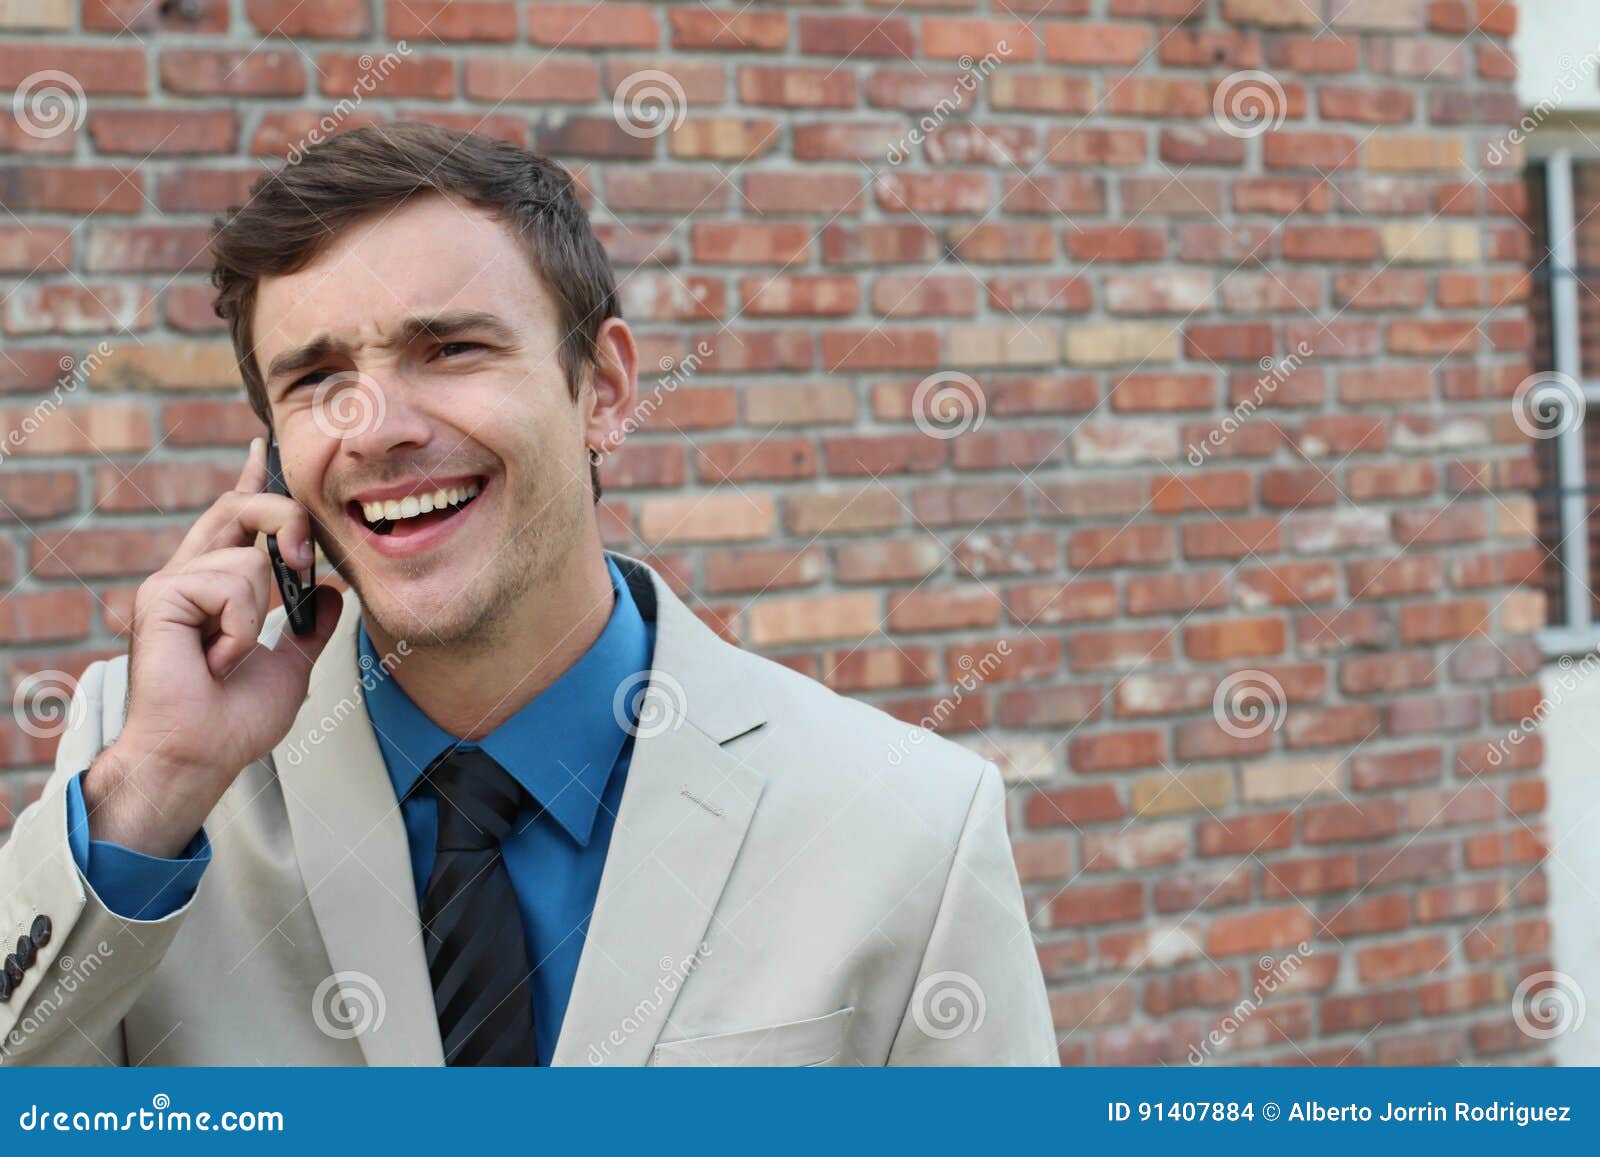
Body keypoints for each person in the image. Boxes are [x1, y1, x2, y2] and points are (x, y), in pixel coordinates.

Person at [0, 122, 1055, 1067]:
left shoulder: (908, 822)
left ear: (602, 389)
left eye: (448, 348)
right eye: (317, 379)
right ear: (274, 454)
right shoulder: (136, 775)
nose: (375, 426)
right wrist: (155, 788)